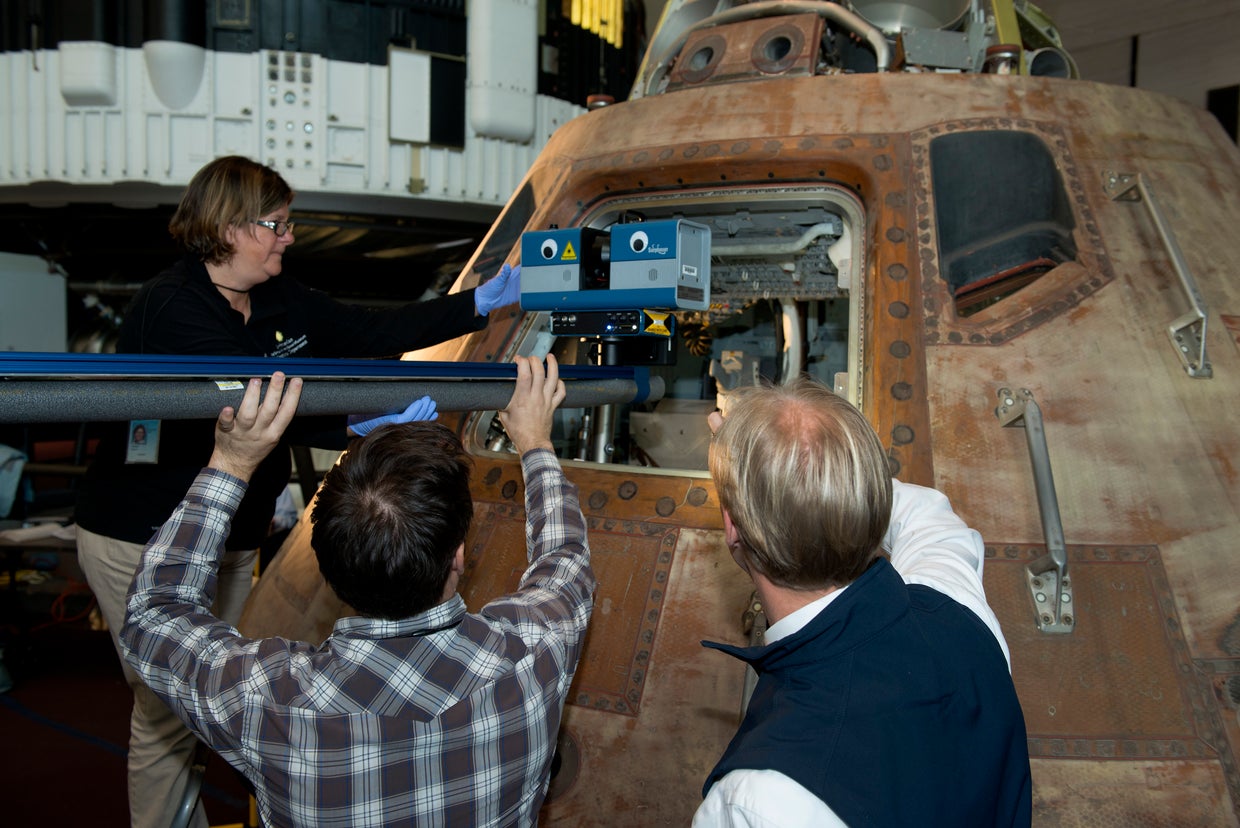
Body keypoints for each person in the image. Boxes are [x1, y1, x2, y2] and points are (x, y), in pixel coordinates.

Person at [74, 154, 522, 828]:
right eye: (276, 224)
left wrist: (480, 304)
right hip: (142, 532)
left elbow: (371, 332)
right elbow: (253, 397)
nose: (289, 236)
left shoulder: (278, 295)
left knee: (191, 702)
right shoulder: (174, 307)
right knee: (168, 703)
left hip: (228, 531)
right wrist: (356, 420)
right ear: (228, 226)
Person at [119, 356, 593, 826]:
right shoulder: (535, 651)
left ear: (329, 569)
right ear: (459, 557)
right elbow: (564, 558)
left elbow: (153, 613)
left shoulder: (270, 701)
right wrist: (535, 442)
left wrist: (231, 462)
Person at [694, 376, 1031, 827]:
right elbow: (925, 516)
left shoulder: (758, 799)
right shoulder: (958, 608)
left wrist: (770, 469)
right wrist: (807, 466)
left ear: (732, 527)